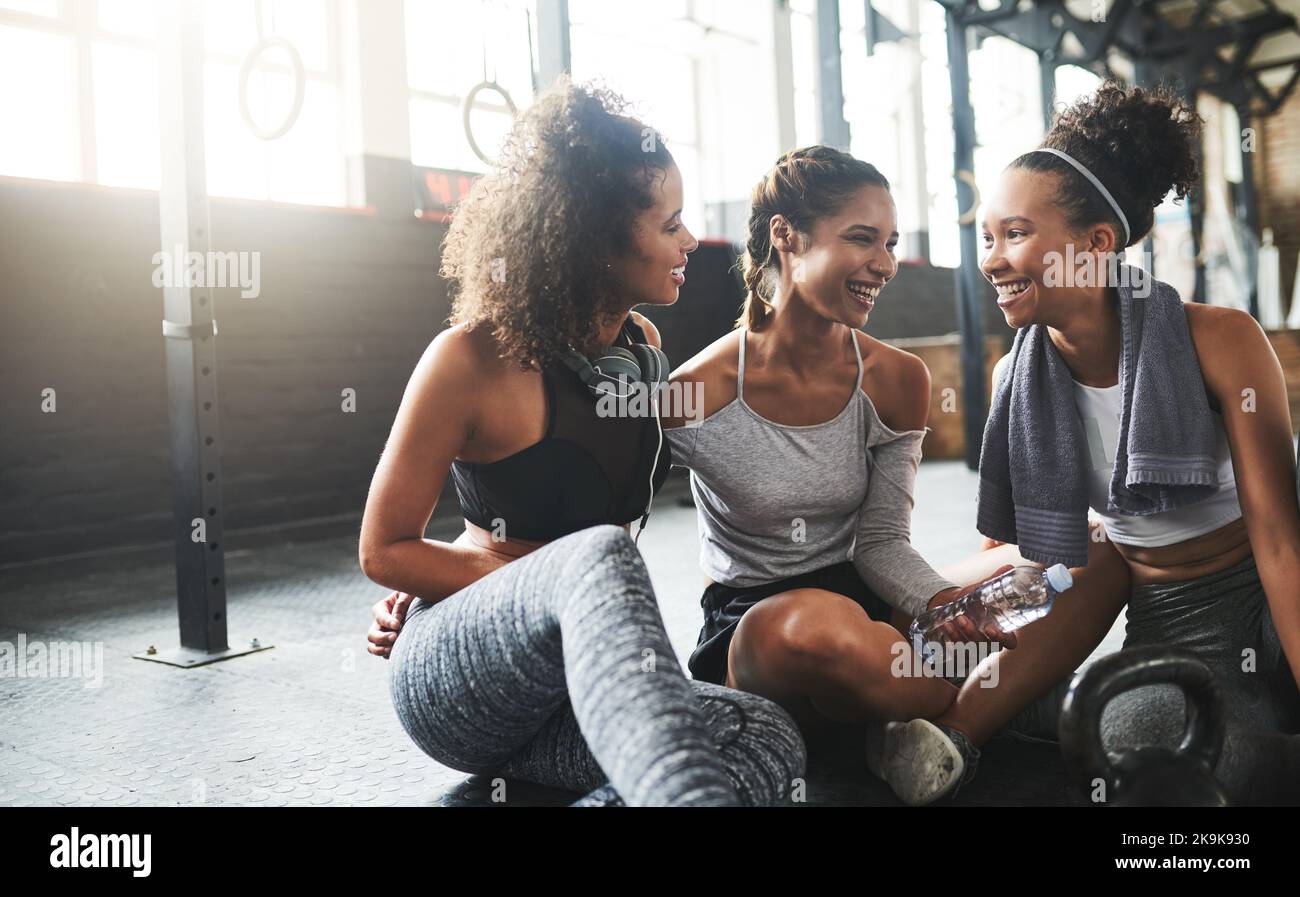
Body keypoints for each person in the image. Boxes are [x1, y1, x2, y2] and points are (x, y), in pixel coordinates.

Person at [360, 78, 805, 807]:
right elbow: (383, 551)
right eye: (671, 225)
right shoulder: (468, 358)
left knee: (763, 734)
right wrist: (497, 591)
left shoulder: (643, 347)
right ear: (593, 236)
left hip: (575, 678)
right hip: (463, 674)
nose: (690, 239)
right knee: (600, 552)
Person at [664, 145, 1131, 806]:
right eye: (862, 240)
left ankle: (945, 733)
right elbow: (612, 534)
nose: (883, 264)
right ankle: (994, 689)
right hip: (767, 631)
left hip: (880, 611)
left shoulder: (895, 377)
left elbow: (883, 540)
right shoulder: (697, 390)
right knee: (814, 625)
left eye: (891, 243)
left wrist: (945, 603)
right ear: (785, 236)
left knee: (1098, 548)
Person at [972, 81, 1300, 804]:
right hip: (1172, 614)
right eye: (985, 236)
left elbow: (1281, 542)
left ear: (1097, 244)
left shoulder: (1221, 340)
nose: (992, 258)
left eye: (1016, 233)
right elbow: (1022, 550)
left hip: (1270, 585)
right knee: (1144, 748)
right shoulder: (1012, 381)